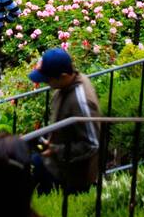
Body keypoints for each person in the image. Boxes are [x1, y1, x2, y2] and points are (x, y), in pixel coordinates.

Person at [28, 47, 102, 194]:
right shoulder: (66, 86)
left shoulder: (81, 101)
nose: (46, 83)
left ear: (62, 76)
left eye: (48, 79)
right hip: (55, 162)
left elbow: (92, 145)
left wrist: (56, 150)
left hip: (69, 175)